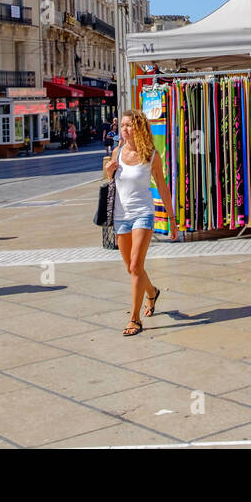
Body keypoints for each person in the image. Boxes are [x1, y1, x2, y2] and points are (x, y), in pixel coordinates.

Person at [103, 109, 176, 336]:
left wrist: (172, 220)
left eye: (129, 125)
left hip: (143, 214)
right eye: (122, 125)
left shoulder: (152, 155)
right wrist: (108, 172)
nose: (124, 129)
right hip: (120, 216)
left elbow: (162, 187)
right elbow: (112, 181)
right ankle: (152, 292)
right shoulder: (117, 152)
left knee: (136, 266)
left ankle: (134, 319)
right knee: (131, 267)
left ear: (139, 128)